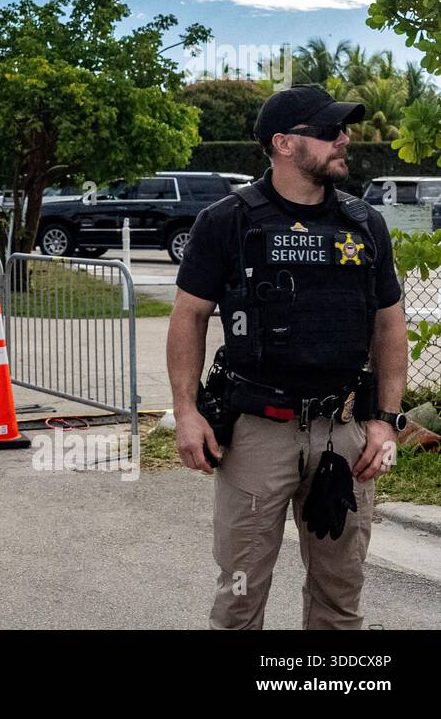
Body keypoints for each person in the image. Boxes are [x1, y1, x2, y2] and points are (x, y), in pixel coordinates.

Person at [167, 87, 408, 630]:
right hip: (256, 434)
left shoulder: (365, 224)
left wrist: (386, 422)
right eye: (328, 132)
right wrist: (186, 411)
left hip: (344, 434)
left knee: (341, 599)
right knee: (239, 598)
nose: (343, 139)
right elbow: (189, 317)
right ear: (282, 144)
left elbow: (389, 324)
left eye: (342, 130)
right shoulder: (225, 221)